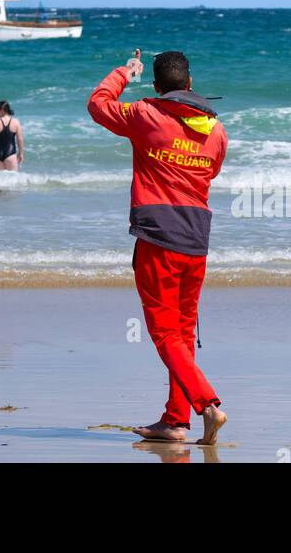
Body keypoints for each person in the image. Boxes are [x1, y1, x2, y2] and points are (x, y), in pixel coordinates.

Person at [87, 50, 229, 446]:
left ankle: (208, 404)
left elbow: (98, 106)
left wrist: (124, 73)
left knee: (166, 335)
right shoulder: (216, 129)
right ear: (189, 83)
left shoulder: (146, 115)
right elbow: (211, 170)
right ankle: (175, 422)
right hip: (196, 239)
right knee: (182, 336)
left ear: (156, 86)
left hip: (159, 238)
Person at [0, 100, 24, 171]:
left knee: (0, 179)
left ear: (2, 110)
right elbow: (20, 139)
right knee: (13, 179)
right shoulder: (16, 122)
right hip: (11, 154)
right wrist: (21, 153)